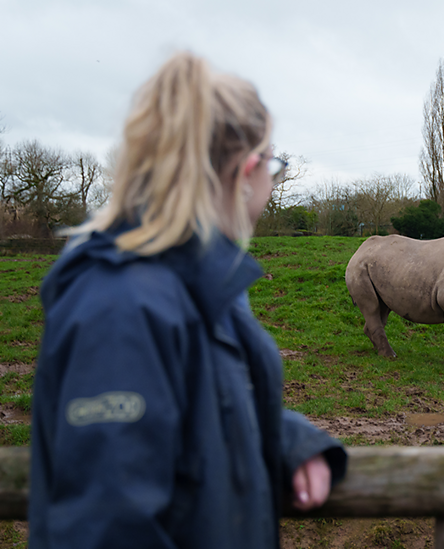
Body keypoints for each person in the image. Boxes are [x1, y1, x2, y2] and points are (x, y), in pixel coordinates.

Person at [29, 52, 348, 548]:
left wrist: (290, 441)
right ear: (246, 171)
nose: (272, 181)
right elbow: (108, 526)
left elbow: (195, 408)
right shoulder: (120, 308)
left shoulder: (193, 284)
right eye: (274, 165)